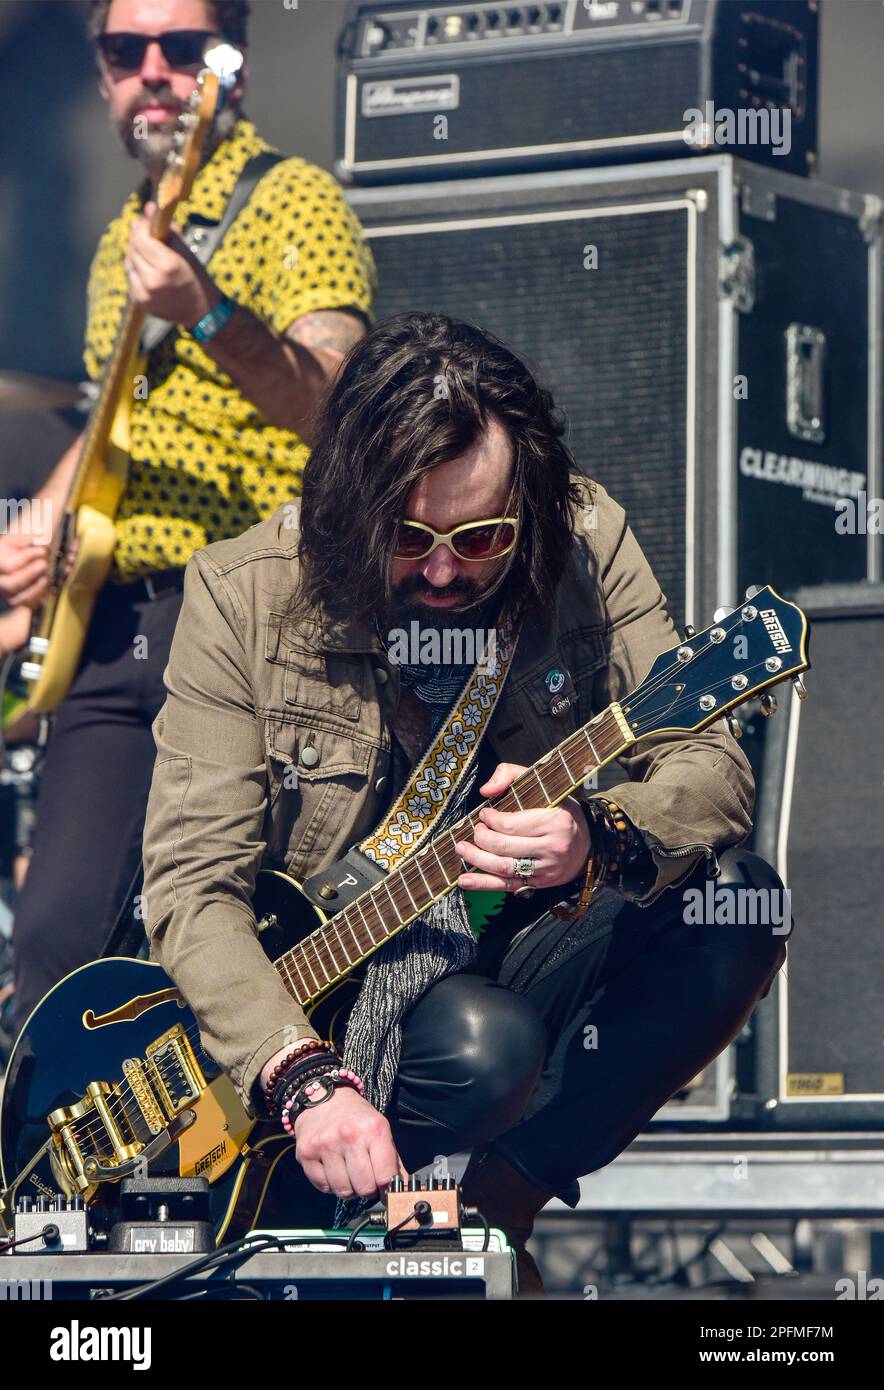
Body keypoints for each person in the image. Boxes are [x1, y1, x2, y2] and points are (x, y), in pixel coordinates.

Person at [140, 313, 789, 1294]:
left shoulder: (583, 539)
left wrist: (598, 839)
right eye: (409, 537)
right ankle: (366, 1223)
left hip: (509, 927)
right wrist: (300, 1074)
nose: (443, 569)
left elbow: (707, 768)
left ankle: (489, 1204)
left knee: (733, 903)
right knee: (483, 1046)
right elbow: (190, 892)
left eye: (480, 536)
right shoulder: (244, 593)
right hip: (326, 1006)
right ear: (352, 504)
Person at [4, 0, 375, 1030]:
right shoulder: (120, 236)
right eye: (126, 52)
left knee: (202, 929)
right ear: (102, 78)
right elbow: (118, 420)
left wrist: (204, 310)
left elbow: (335, 401)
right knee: (57, 940)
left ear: (232, 68)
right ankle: (52, 1185)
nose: (153, 72)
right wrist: (34, 531)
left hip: (242, 620)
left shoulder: (289, 200)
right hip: (117, 628)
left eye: (181, 49)